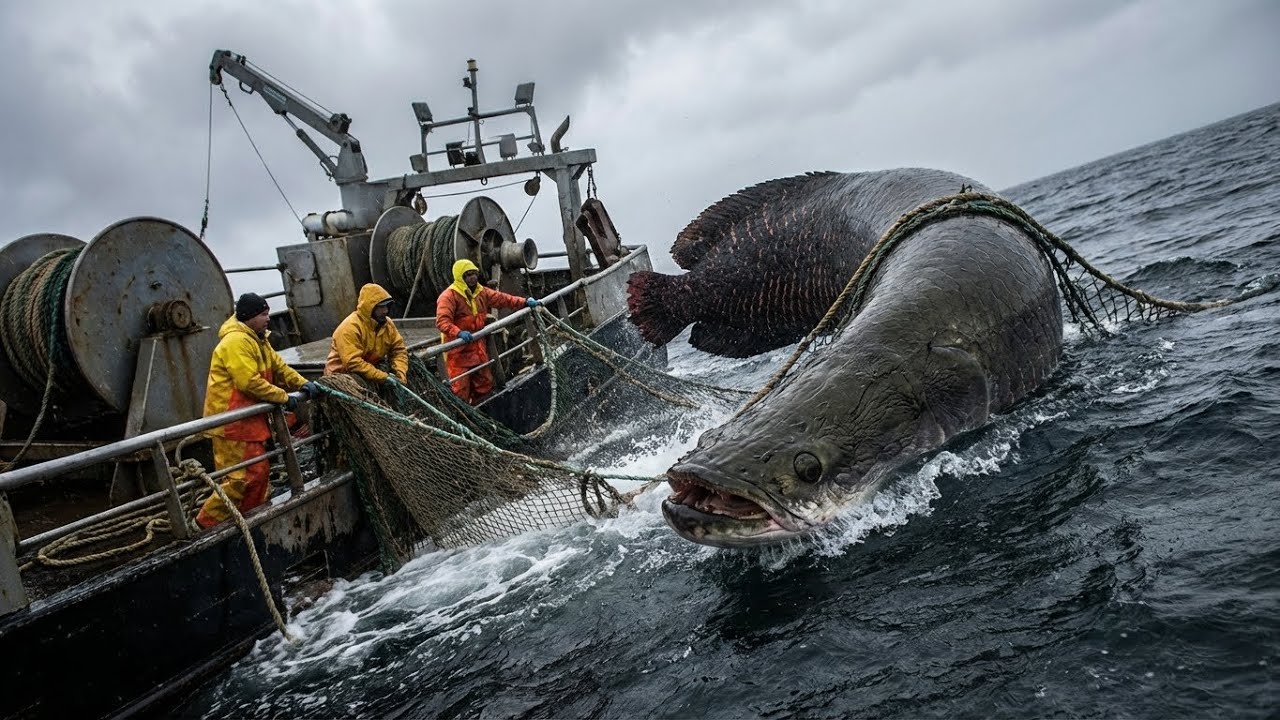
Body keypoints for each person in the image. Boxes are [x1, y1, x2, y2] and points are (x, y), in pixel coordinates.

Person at [196, 292, 319, 529]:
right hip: (232, 425)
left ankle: (251, 521)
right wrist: (284, 397)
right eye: (263, 314)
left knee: (258, 473)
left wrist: (301, 383)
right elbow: (248, 382)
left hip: (249, 423)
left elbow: (280, 368)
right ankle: (205, 526)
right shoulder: (236, 342)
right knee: (240, 480)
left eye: (268, 313)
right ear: (249, 317)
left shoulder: (259, 339)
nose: (268, 319)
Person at [435, 259, 539, 404]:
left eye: (474, 274)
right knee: (460, 390)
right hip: (457, 353)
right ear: (460, 277)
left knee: (484, 385)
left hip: (478, 349)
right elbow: (442, 321)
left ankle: (486, 412)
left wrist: (524, 301)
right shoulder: (448, 297)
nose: (472, 277)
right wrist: (458, 333)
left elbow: (502, 299)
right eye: (467, 275)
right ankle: (465, 419)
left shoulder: (481, 292)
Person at [323, 283, 408, 389]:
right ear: (369, 307)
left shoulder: (388, 325)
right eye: (380, 307)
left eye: (387, 306)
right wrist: (383, 377)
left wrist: (400, 374)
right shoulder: (349, 328)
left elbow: (398, 350)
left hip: (369, 375)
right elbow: (352, 362)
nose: (385, 311)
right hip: (342, 379)